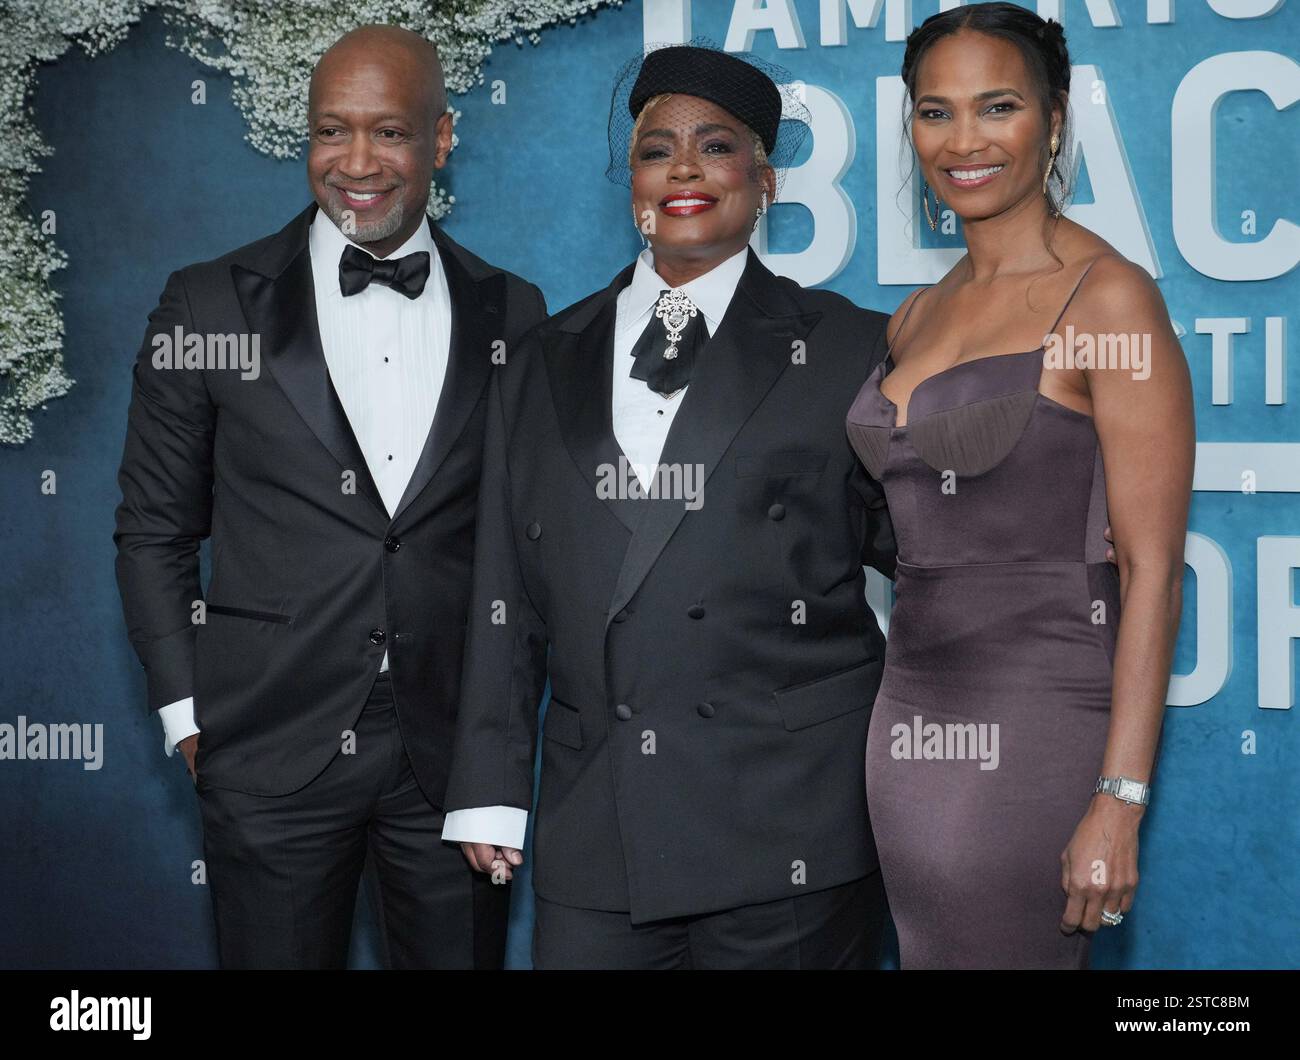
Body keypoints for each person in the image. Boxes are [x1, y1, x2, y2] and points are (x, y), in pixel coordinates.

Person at [440, 42, 899, 969]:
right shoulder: (539, 359)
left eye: (716, 146)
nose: (684, 168)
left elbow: (936, 568)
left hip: (789, 826)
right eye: (657, 149)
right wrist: (489, 785)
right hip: (595, 822)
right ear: (633, 182)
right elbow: (504, 583)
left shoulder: (850, 348)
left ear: (763, 180)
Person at [112, 25, 546, 968]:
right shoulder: (208, 305)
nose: (357, 163)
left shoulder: (514, 311)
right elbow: (153, 530)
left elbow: (521, 549)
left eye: (389, 132)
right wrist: (193, 721)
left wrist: (495, 756)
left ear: (442, 138)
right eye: (330, 131)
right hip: (267, 748)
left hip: (446, 768)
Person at [845, 3, 1194, 968]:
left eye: (997, 106)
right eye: (934, 111)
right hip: (905, 717)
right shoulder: (917, 312)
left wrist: (1118, 801)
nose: (964, 141)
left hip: (1038, 716)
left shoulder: (1109, 297)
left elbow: (1155, 573)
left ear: (1055, 117)